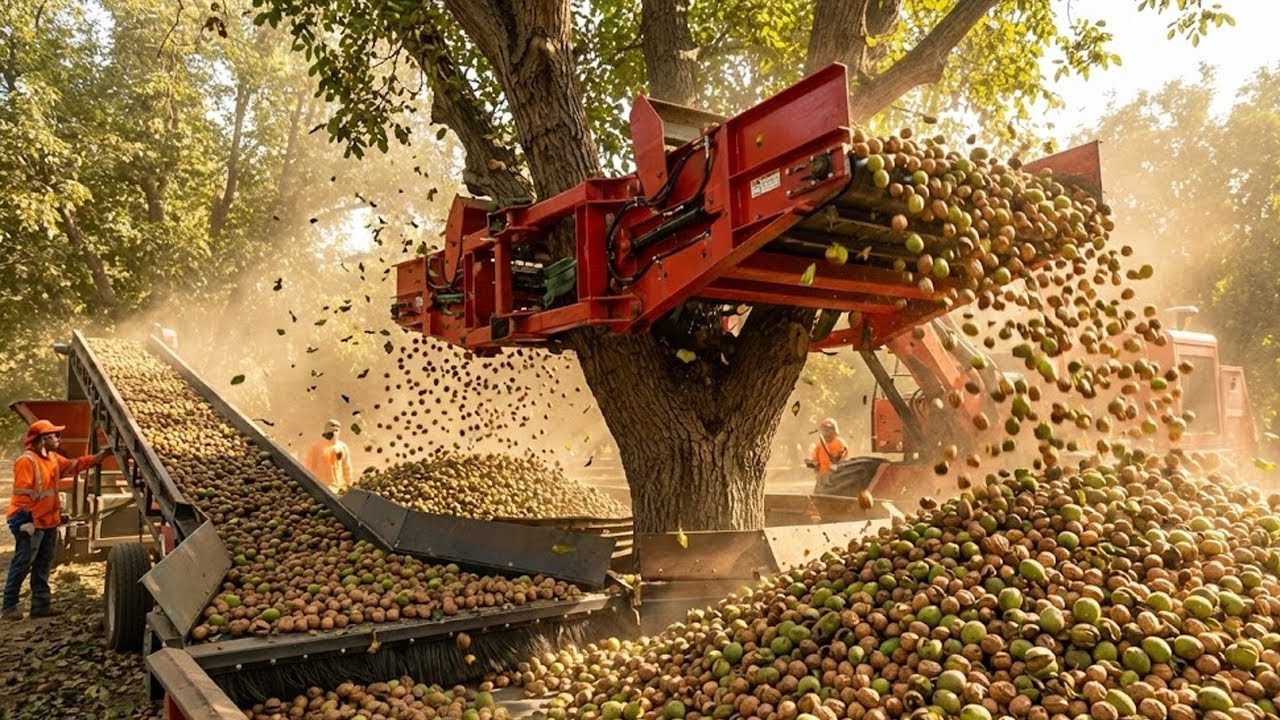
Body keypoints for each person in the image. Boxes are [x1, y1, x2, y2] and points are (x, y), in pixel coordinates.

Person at [4, 419, 113, 619]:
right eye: (54, 436)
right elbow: (22, 494)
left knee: (44, 564)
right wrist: (24, 522)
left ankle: (40, 605)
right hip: (30, 521)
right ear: (42, 440)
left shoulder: (53, 458)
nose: (58, 439)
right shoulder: (26, 461)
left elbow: (74, 465)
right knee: (23, 563)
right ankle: (9, 606)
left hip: (48, 521)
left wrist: (100, 457)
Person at [304, 419, 354, 491]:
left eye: (336, 431)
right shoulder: (316, 447)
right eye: (332, 431)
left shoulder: (343, 447)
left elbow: (347, 468)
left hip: (340, 487)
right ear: (325, 432)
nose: (334, 434)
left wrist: (349, 484)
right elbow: (308, 467)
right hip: (322, 487)